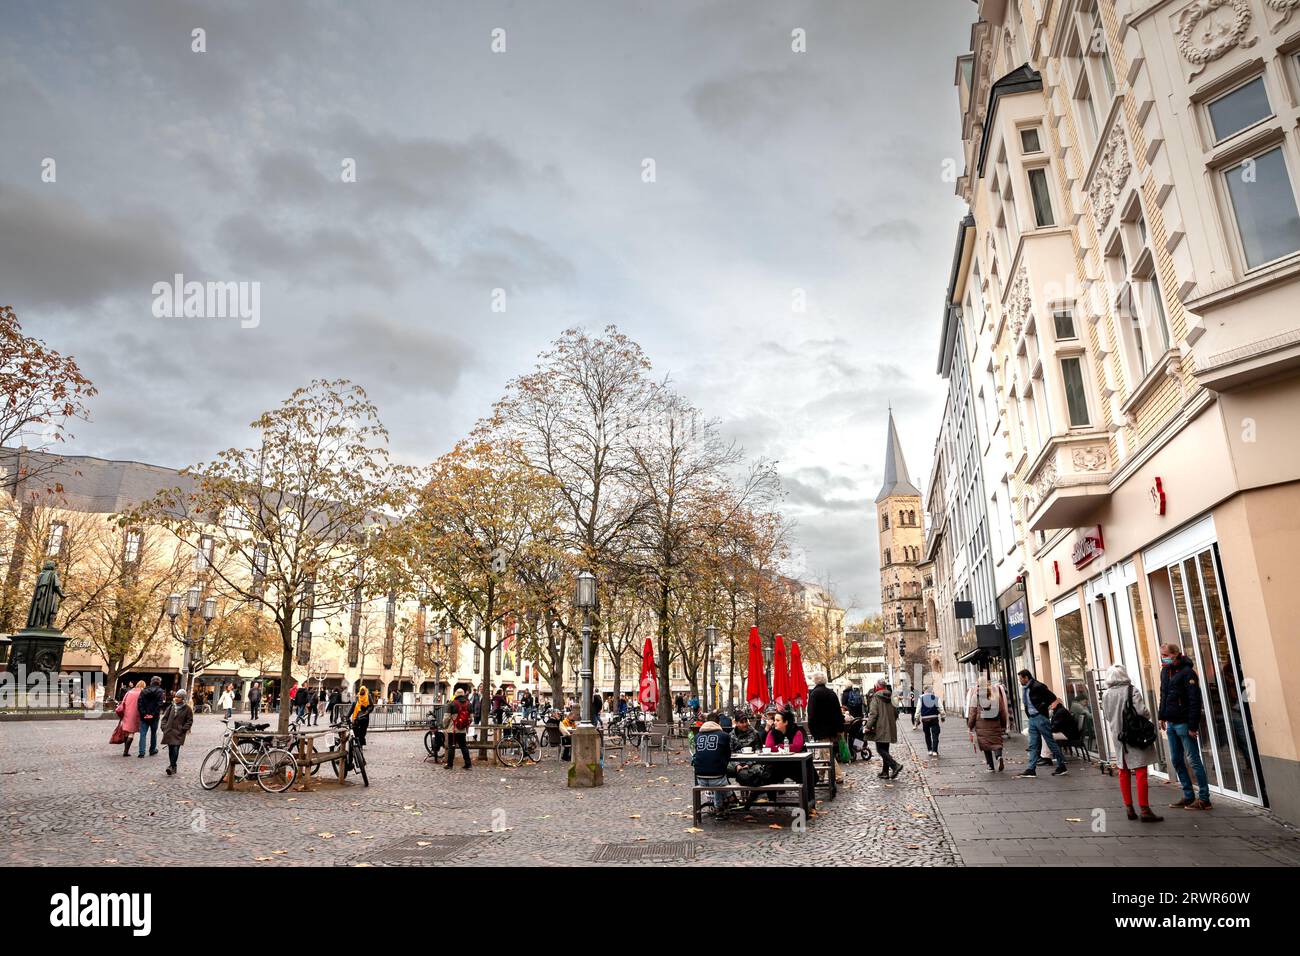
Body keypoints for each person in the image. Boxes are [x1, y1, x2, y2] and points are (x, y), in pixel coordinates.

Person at [1102, 664, 1163, 822]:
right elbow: (1142, 712)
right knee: (1141, 771)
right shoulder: (1132, 690)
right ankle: (1145, 809)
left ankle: (1129, 808)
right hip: (1134, 734)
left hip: (1118, 735)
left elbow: (1108, 716)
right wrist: (1148, 715)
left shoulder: (1106, 694)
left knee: (1123, 770)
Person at [1158, 643, 1212, 810]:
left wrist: (1193, 726)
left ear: (1176, 654)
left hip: (1184, 723)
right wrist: (1162, 715)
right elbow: (1163, 694)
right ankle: (1188, 796)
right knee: (1176, 759)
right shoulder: (1165, 671)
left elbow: (1195, 700)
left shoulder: (1187, 672)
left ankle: (1204, 799)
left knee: (1193, 760)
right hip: (1172, 723)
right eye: (1162, 655)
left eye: (1166, 654)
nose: (1163, 658)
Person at [1015, 669, 1069, 777]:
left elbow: (1052, 698)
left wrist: (1041, 708)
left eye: (1021, 678)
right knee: (1033, 745)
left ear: (1026, 678)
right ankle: (1031, 769)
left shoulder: (1038, 686)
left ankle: (1061, 766)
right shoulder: (1025, 688)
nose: (1020, 680)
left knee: (1050, 742)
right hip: (1032, 719)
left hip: (1040, 718)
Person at [806, 670, 843, 783]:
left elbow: (811, 714)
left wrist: (812, 729)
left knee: (826, 752)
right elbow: (838, 712)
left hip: (821, 729)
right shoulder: (832, 693)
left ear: (815, 680)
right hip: (832, 728)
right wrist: (839, 728)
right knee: (824, 752)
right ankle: (820, 775)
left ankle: (838, 776)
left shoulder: (814, 694)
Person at [692, 714, 733, 814]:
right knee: (720, 777)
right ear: (719, 723)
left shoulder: (697, 736)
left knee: (718, 774)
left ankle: (719, 806)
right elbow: (728, 756)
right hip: (718, 779)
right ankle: (728, 799)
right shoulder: (724, 736)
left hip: (700, 779)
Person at [965, 677, 1007, 772]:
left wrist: (970, 726)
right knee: (996, 743)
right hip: (995, 724)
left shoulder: (976, 696)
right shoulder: (995, 695)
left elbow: (972, 713)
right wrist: (1004, 725)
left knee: (986, 745)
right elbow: (1002, 711)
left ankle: (990, 766)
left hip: (981, 725)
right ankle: (999, 757)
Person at [865, 679, 901, 778]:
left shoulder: (875, 697)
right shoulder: (892, 696)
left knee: (880, 749)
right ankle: (885, 772)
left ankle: (895, 765)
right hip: (889, 726)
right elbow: (896, 713)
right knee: (885, 749)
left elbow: (873, 714)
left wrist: (867, 726)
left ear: (877, 686)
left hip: (880, 727)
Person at [160, 689, 194, 776]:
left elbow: (189, 721)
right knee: (171, 749)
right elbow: (164, 718)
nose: (176, 698)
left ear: (182, 698)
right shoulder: (171, 707)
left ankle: (172, 766)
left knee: (175, 749)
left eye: (178, 697)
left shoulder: (187, 709)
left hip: (179, 733)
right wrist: (164, 727)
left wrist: (183, 729)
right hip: (169, 731)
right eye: (176, 696)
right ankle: (173, 766)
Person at [137, 677, 166, 758]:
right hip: (155, 717)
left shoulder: (144, 691)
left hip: (144, 717)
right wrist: (152, 714)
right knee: (153, 733)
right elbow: (159, 704)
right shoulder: (160, 691)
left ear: (151, 682)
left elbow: (139, 703)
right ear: (159, 683)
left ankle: (141, 752)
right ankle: (152, 749)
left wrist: (144, 714)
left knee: (143, 734)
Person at [445, 689, 473, 770]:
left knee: (451, 747)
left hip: (453, 729)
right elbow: (471, 718)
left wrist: (445, 725)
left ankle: (450, 765)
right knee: (464, 746)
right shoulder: (469, 704)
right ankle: (468, 764)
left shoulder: (452, 703)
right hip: (462, 730)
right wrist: (466, 725)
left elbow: (446, 717)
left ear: (456, 694)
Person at [116, 680, 144, 757]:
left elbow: (123, 702)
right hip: (136, 714)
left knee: (126, 732)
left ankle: (125, 750)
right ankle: (126, 751)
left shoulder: (129, 692)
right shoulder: (142, 693)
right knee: (131, 733)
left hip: (127, 713)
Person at [919, 688, 943, 756]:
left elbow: (918, 709)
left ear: (924, 692)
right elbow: (941, 708)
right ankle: (935, 751)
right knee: (935, 734)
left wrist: (916, 718)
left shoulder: (921, 699)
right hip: (934, 718)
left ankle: (929, 750)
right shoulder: (936, 698)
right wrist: (943, 716)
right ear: (932, 691)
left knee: (927, 734)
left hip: (925, 719)